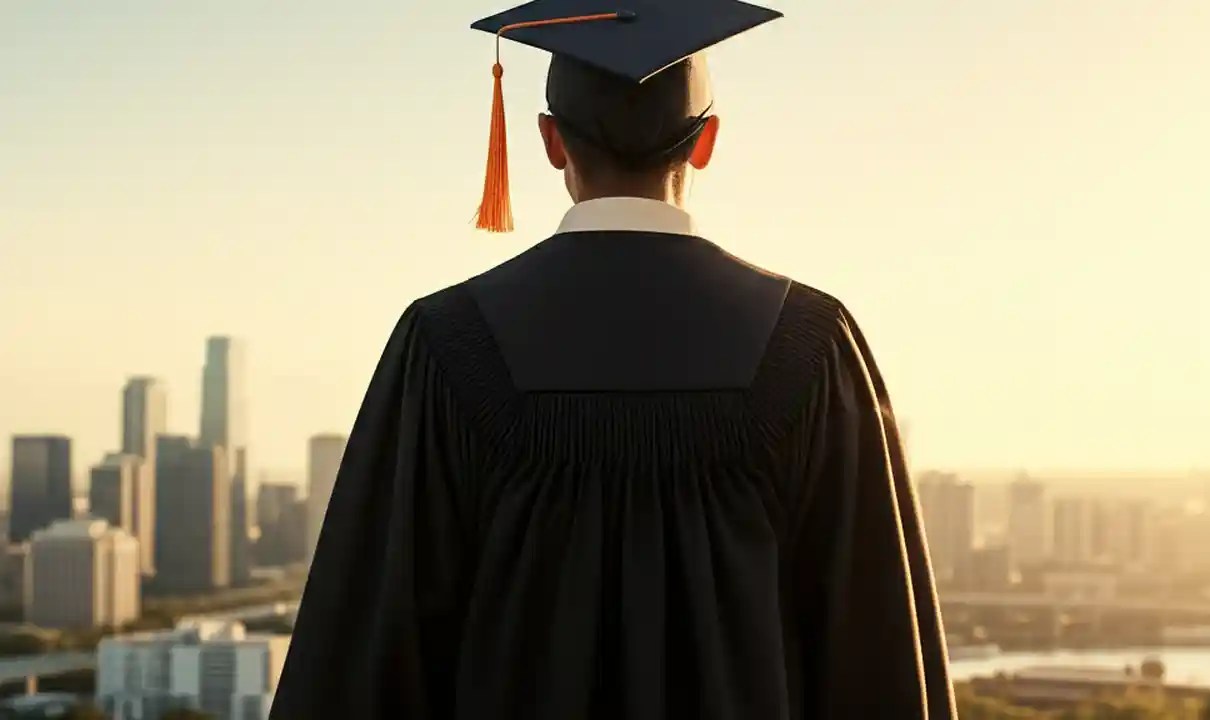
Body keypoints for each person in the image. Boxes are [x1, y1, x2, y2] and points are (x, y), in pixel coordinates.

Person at [270, 0, 956, 717]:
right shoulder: (809, 343)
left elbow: (369, 648)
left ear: (549, 140)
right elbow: (871, 648)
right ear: (707, 141)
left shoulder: (446, 342)